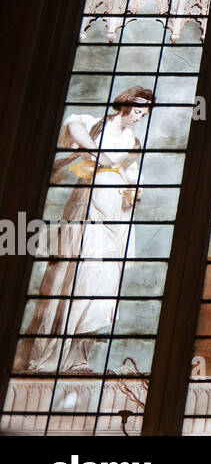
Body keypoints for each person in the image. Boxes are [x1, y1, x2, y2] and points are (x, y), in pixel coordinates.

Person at [16, 87, 153, 373]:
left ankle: (78, 358)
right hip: (86, 214)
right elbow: (73, 127)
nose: (140, 116)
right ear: (126, 103)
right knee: (76, 278)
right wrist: (97, 152)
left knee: (102, 286)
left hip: (115, 220)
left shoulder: (132, 142)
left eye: (145, 113)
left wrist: (133, 190)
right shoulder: (93, 124)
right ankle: (52, 355)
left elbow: (130, 174)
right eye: (139, 109)